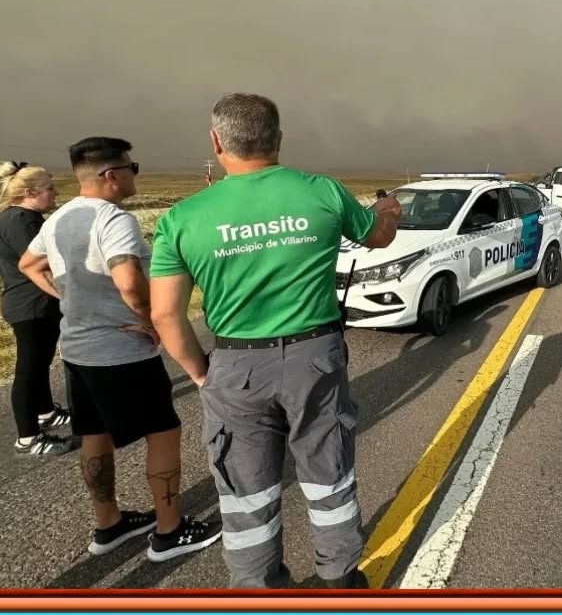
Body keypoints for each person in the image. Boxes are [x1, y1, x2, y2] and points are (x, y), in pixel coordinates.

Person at [149, 93, 403, 589]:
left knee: (247, 492)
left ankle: (259, 593)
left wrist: (201, 373)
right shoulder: (323, 192)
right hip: (316, 357)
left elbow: (164, 314)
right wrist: (388, 212)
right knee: (328, 471)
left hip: (235, 363)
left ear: (216, 142)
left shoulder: (182, 218)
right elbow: (378, 237)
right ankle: (340, 580)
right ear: (278, 139)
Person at [19, 137, 221, 560]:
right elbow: (128, 280)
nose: (135, 174)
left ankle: (108, 524)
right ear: (111, 175)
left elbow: (29, 265)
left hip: (78, 348)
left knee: (94, 433)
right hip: (121, 349)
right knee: (163, 430)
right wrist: (150, 320)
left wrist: (70, 299)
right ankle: (169, 531)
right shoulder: (114, 219)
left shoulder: (58, 219)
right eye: (133, 167)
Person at [0, 161, 74, 455]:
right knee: (29, 370)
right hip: (32, 304)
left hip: (29, 303)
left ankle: (45, 412)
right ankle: (27, 437)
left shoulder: (12, 218)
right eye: (49, 188)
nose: (55, 193)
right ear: (29, 192)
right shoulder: (23, 221)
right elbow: (41, 264)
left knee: (39, 364)